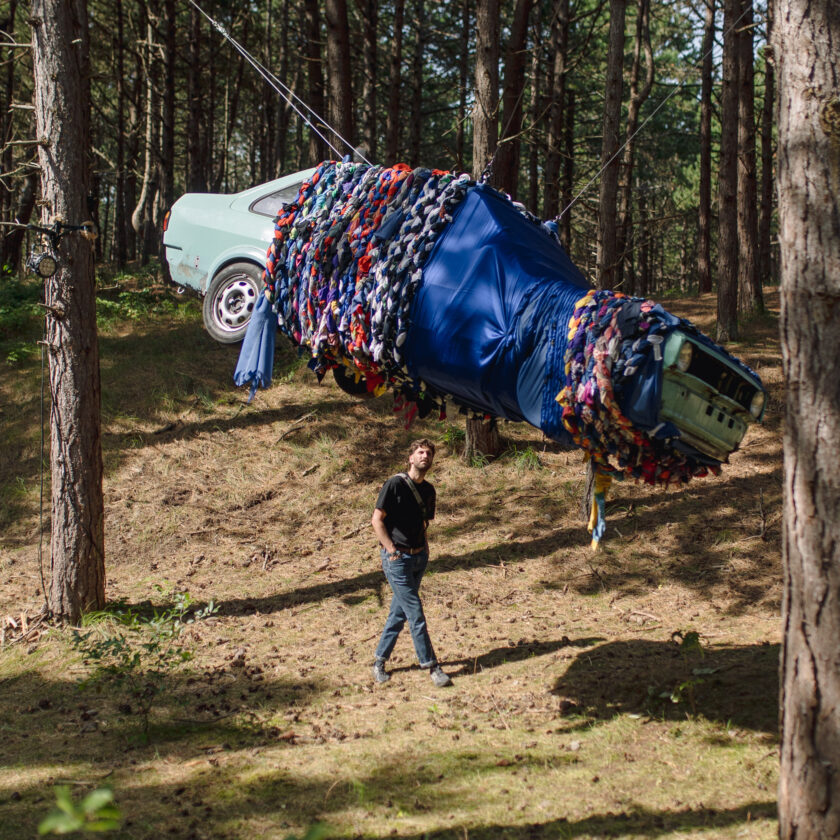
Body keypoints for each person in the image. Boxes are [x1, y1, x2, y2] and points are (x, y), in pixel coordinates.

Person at [371, 438, 452, 687]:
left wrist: (425, 550)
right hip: (397, 560)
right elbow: (376, 520)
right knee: (415, 613)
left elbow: (424, 523)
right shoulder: (395, 484)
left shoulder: (429, 491)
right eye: (420, 452)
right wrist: (391, 550)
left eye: (429, 453)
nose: (425, 456)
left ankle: (379, 660)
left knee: (399, 613)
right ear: (411, 458)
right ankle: (432, 667)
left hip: (418, 557)